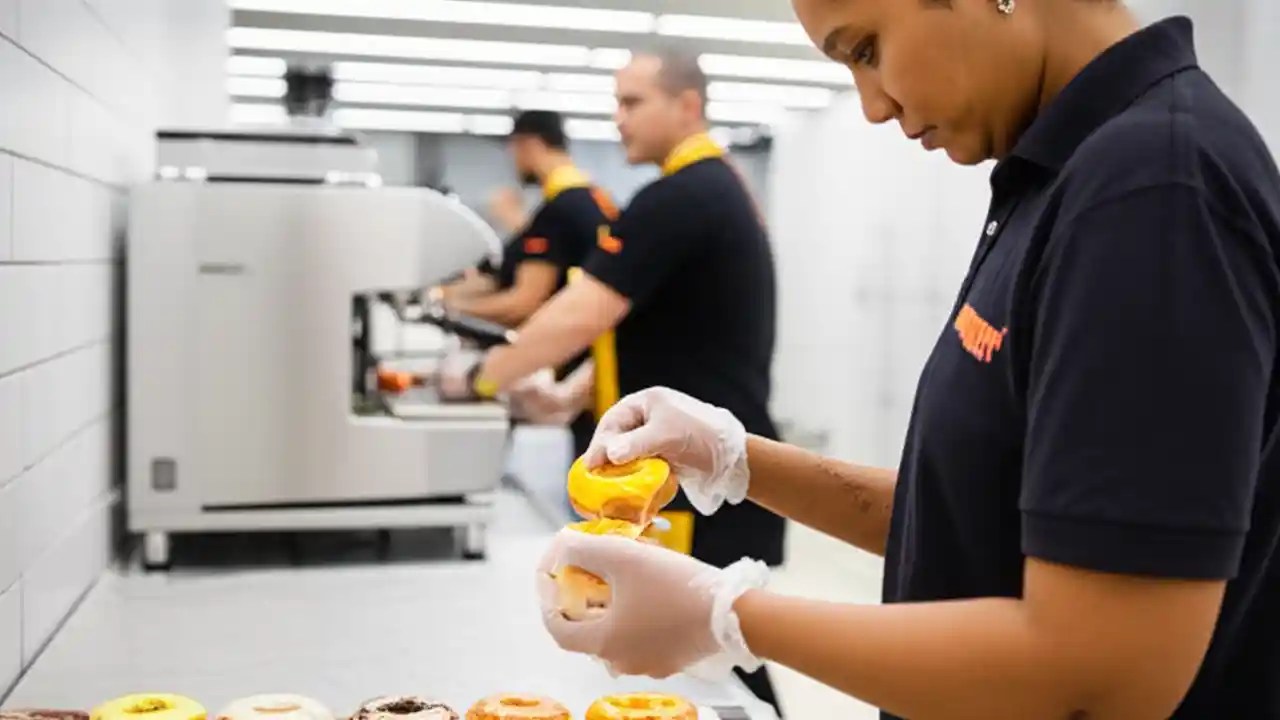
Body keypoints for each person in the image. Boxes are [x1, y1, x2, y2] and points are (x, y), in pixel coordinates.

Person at [533, 4, 1280, 720]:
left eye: (865, 49)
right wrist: (736, 459)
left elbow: (1096, 671)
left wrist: (727, 618)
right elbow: (981, 520)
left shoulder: (1151, 191)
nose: (873, 106)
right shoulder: (1060, 173)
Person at [442, 50, 787, 713]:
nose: (617, 118)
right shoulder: (711, 192)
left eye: (632, 103)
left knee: (715, 666)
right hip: (702, 473)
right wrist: (572, 395)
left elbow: (583, 313)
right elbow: (670, 334)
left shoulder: (682, 197)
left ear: (687, 106)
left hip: (693, 486)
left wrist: (479, 380)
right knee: (713, 663)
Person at [438, 110, 616, 456]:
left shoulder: (561, 210)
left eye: (513, 150)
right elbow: (504, 278)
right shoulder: (594, 201)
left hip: (577, 375)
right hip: (599, 375)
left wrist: (449, 310)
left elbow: (524, 301)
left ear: (529, 145)